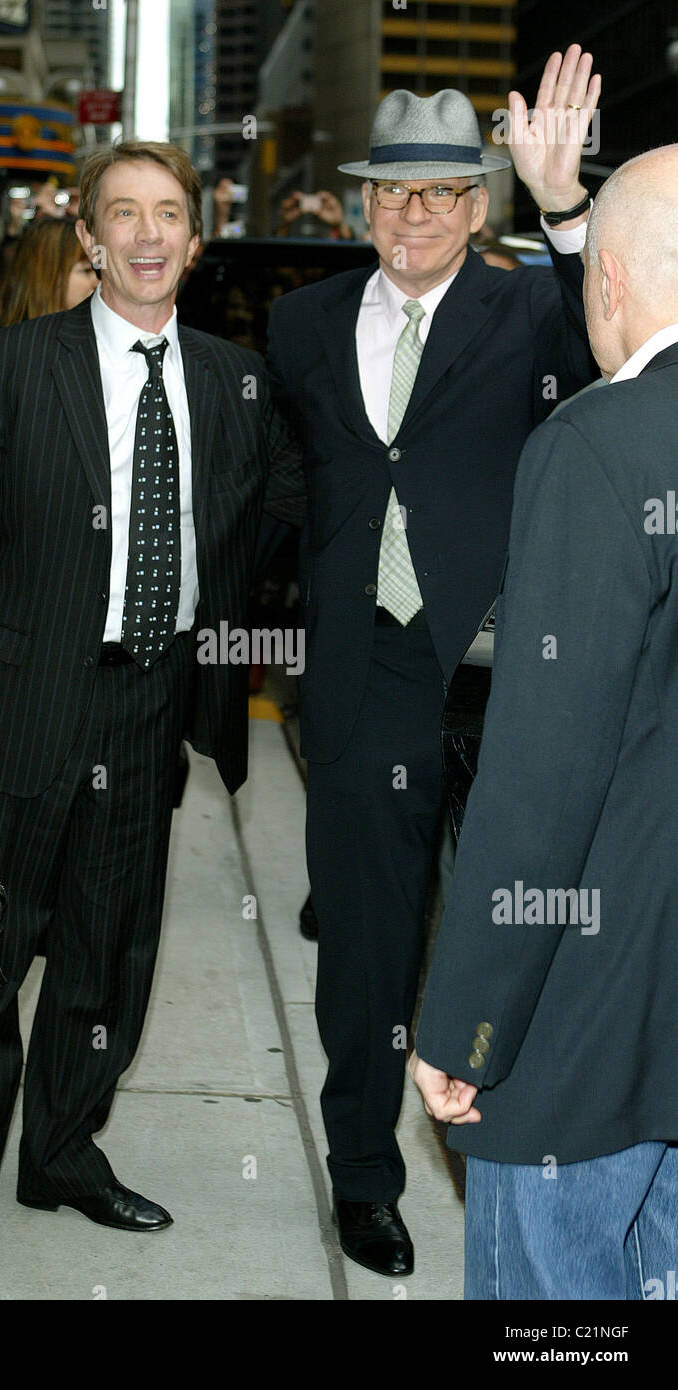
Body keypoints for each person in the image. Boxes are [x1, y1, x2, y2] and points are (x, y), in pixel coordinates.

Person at [0, 138, 302, 1263]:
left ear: (194, 238)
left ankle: (62, 1153)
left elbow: (281, 509)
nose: (147, 234)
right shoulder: (18, 366)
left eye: (167, 212)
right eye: (122, 214)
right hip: (18, 702)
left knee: (106, 951)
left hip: (150, 703)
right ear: (89, 238)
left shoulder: (233, 379)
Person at [265, 44, 600, 1278]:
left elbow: (608, 351)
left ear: (477, 205)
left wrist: (565, 208)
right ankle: (366, 1177)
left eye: (444, 192)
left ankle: (510, 1147)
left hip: (502, 682)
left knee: (516, 933)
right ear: (364, 203)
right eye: (394, 192)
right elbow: (287, 482)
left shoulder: (527, 309)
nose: (415, 212)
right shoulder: (299, 324)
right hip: (364, 681)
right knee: (366, 945)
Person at [410, 142, 678, 1301]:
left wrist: (465, 1022)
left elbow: (541, 777)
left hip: (588, 1019)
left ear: (606, 286)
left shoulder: (601, 446)